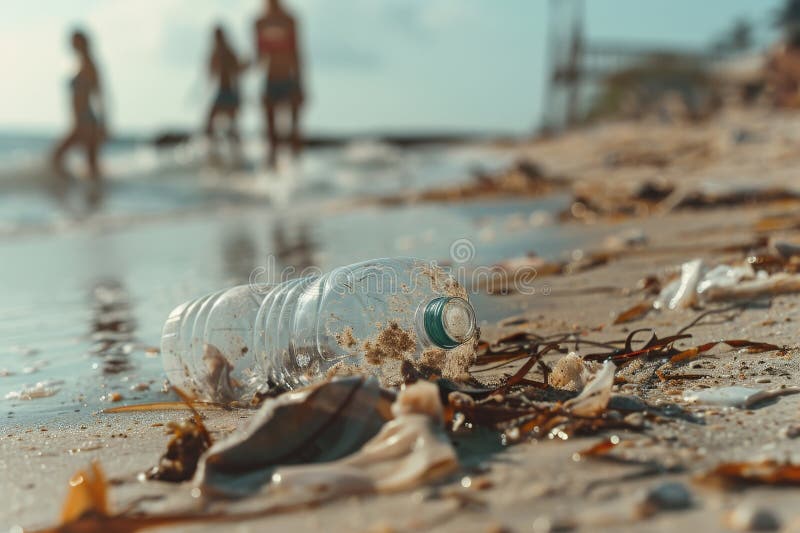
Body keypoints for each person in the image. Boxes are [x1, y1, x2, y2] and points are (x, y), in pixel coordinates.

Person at [255, 0, 304, 169]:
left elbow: (298, 53)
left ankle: (297, 172)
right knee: (271, 135)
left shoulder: (290, 20)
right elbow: (259, 57)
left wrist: (301, 85)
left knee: (295, 132)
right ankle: (271, 177)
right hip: (269, 81)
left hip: (290, 80)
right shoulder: (259, 22)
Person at [52, 30, 106, 183]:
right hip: (79, 122)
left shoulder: (90, 64)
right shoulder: (79, 63)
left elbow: (100, 95)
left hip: (86, 121)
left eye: (75, 40)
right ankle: (95, 198)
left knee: (56, 158)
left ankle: (73, 187)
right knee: (92, 167)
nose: (72, 44)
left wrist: (103, 123)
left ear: (83, 42)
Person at [206, 25, 247, 164]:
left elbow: (239, 71)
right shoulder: (215, 53)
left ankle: (237, 155)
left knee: (232, 126)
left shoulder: (230, 52)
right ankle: (214, 153)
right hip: (221, 93)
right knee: (210, 124)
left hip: (231, 93)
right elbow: (211, 74)